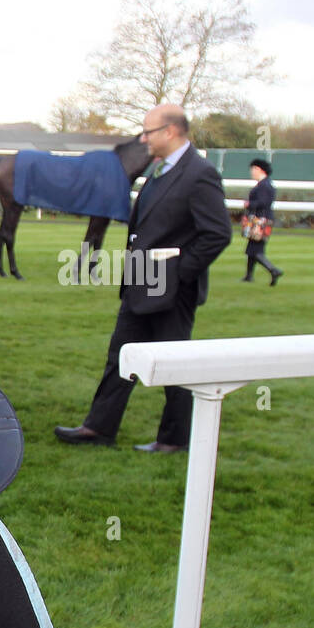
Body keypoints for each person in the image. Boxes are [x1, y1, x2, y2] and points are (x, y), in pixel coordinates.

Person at [54, 104, 232, 453]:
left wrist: (180, 274)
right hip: (140, 281)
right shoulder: (159, 169)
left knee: (174, 365)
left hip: (171, 289)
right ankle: (98, 428)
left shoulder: (199, 173)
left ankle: (174, 439)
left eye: (148, 131)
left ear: (170, 131)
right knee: (120, 356)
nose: (143, 138)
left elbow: (218, 233)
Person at [241, 158, 283, 285]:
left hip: (260, 220)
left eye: (253, 169)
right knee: (252, 249)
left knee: (255, 251)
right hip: (261, 219)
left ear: (260, 170)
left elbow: (263, 202)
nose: (251, 172)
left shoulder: (264, 186)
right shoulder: (265, 184)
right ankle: (249, 276)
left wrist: (248, 204)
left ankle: (273, 270)